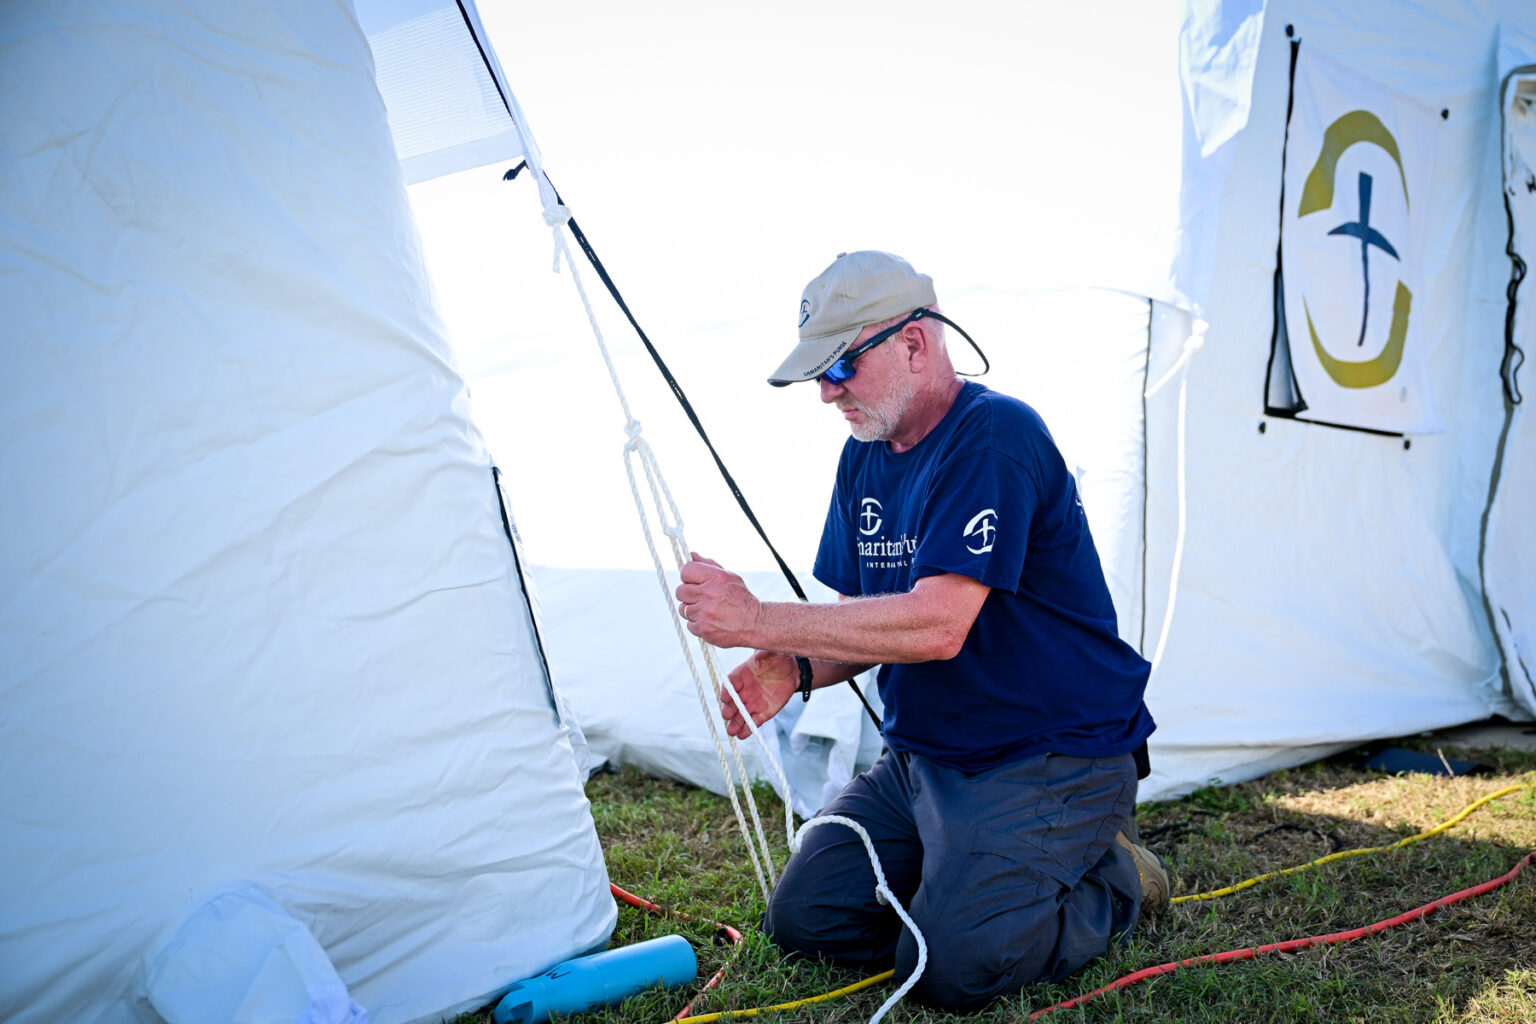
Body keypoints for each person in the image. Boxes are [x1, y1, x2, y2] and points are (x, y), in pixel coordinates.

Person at [673, 250, 1164, 1010]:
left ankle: (1120, 879)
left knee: (947, 968)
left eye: (841, 366)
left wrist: (756, 618)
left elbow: (938, 626)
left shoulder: (996, 435)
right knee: (805, 920)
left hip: (1047, 754)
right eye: (819, 376)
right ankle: (967, 882)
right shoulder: (863, 457)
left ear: (913, 341)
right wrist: (791, 667)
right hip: (925, 758)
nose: (828, 393)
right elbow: (859, 626)